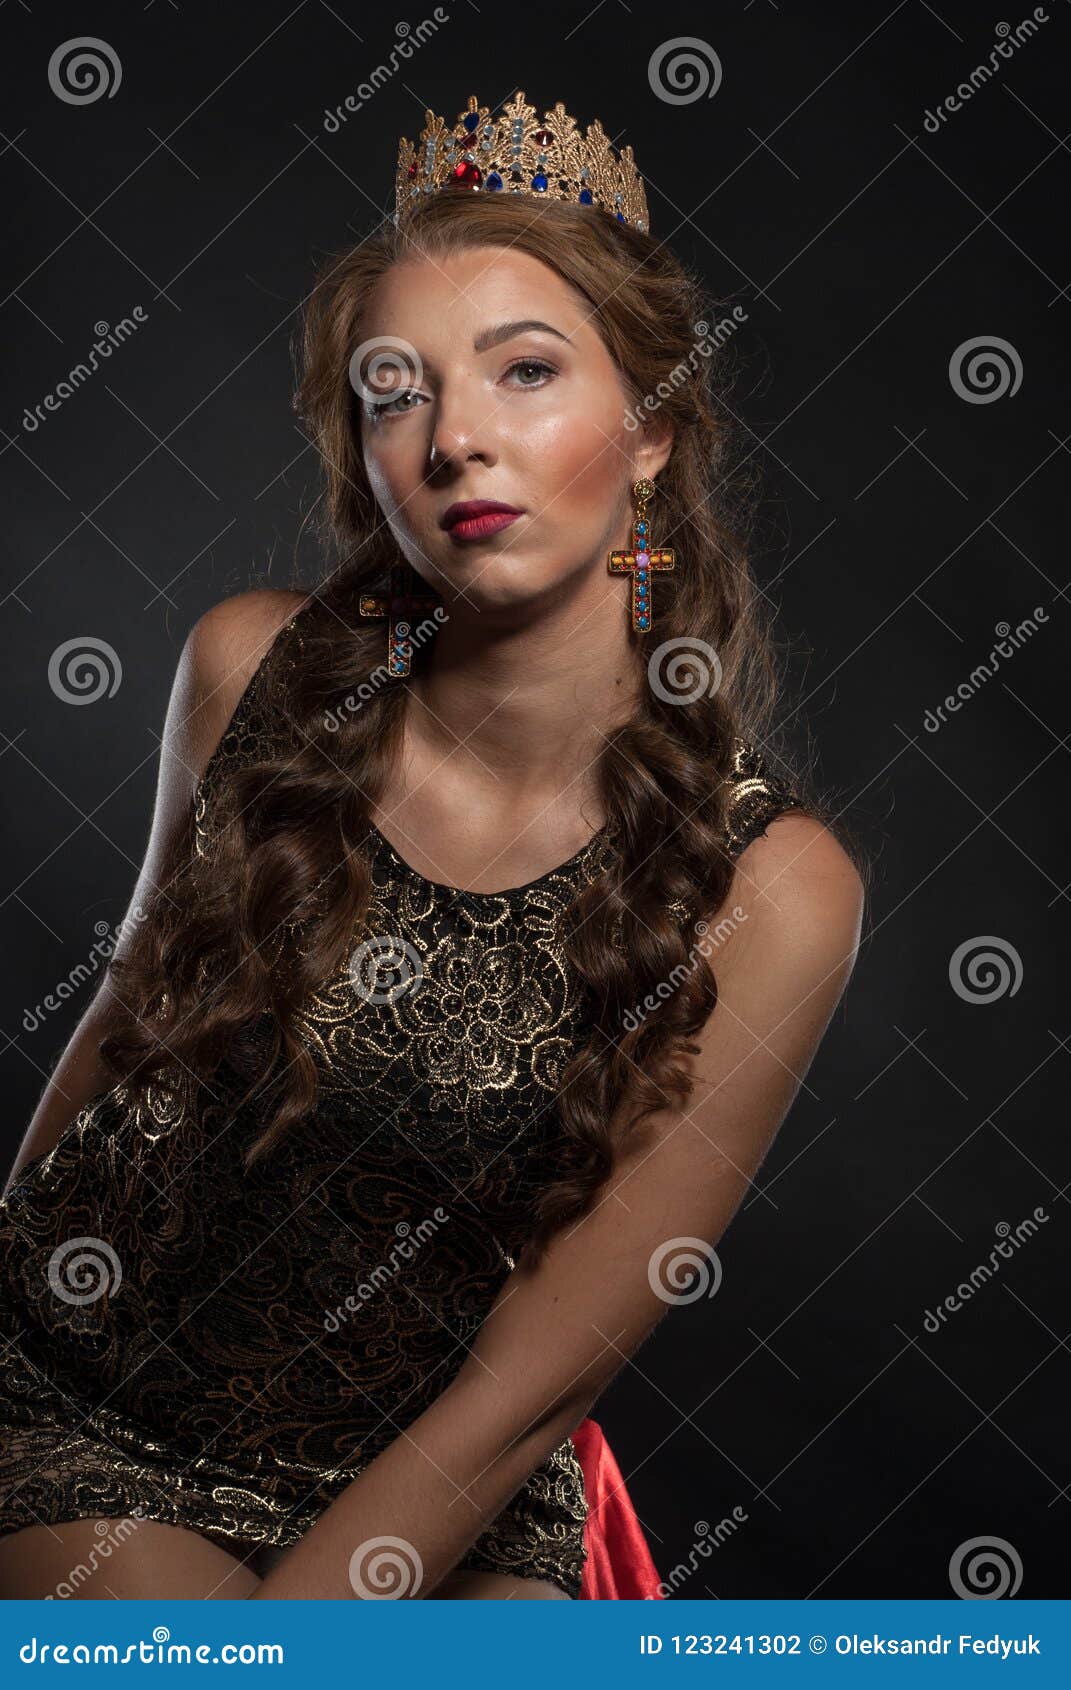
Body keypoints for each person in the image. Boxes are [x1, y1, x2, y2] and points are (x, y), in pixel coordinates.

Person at [0, 91, 866, 1601]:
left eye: (526, 371)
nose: (457, 435)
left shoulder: (773, 888)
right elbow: (119, 1028)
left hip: (456, 1458)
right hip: (100, 1408)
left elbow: (531, 1384)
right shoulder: (245, 669)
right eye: (395, 391)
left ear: (651, 432)